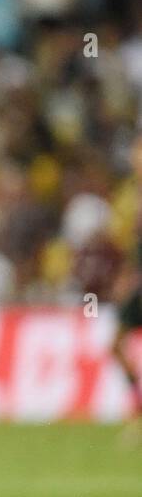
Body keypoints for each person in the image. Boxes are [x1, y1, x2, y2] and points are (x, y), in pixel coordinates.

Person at [110, 134, 142, 444]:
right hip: (138, 283)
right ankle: (138, 409)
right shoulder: (132, 193)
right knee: (116, 345)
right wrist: (126, 276)